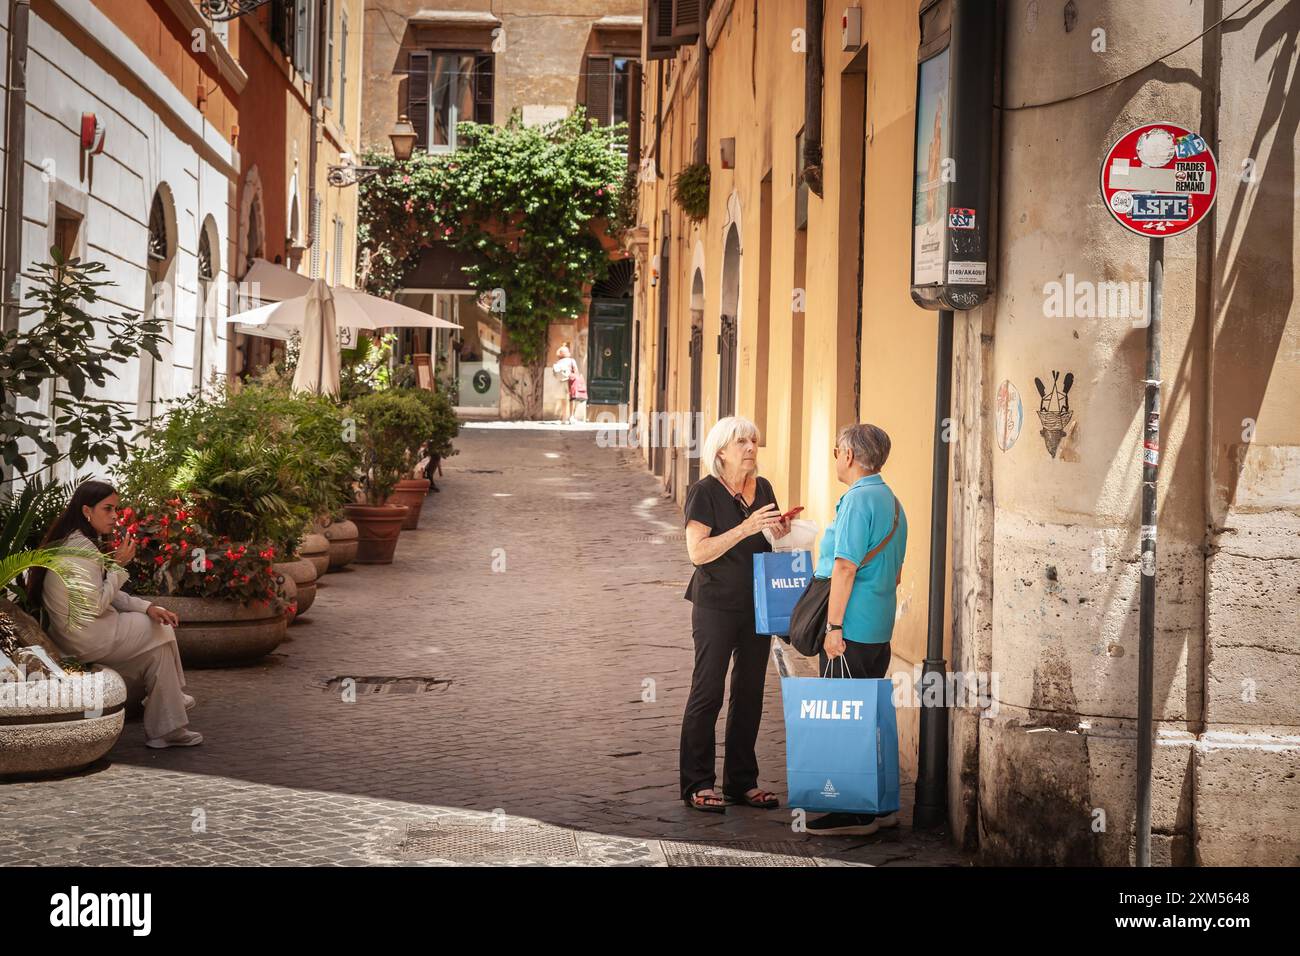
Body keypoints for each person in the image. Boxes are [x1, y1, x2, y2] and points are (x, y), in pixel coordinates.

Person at [30, 480, 202, 749]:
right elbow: (96, 605)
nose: (114, 517)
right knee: (161, 628)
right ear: (87, 510)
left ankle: (167, 730)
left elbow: (105, 593)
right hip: (85, 637)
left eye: (116, 509)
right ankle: (174, 701)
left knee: (156, 649)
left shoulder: (81, 543)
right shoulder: (79, 552)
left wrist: (148, 606)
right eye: (108, 509)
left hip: (88, 632)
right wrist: (119, 568)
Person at [680, 415, 791, 812]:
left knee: (749, 694)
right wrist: (746, 528)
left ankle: (741, 782)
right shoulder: (704, 492)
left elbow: (770, 538)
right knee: (708, 691)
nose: (750, 447)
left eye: (754, 441)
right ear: (721, 450)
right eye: (741, 441)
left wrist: (781, 530)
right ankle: (698, 782)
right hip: (715, 605)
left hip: (757, 604)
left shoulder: (763, 488)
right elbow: (698, 552)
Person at [806, 423, 908, 835]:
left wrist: (833, 627)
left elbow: (845, 567)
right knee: (867, 718)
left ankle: (853, 811)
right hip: (879, 628)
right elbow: (896, 574)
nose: (835, 458)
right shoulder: (893, 502)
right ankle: (880, 808)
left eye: (836, 451)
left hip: (850, 630)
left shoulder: (857, 501)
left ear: (848, 456)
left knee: (842, 719)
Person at [552, 343, 579, 424]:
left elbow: (555, 374)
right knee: (572, 399)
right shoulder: (571, 360)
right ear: (567, 353)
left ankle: (563, 418)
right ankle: (571, 417)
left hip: (561, 382)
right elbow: (576, 371)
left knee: (563, 400)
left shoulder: (558, 362)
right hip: (570, 382)